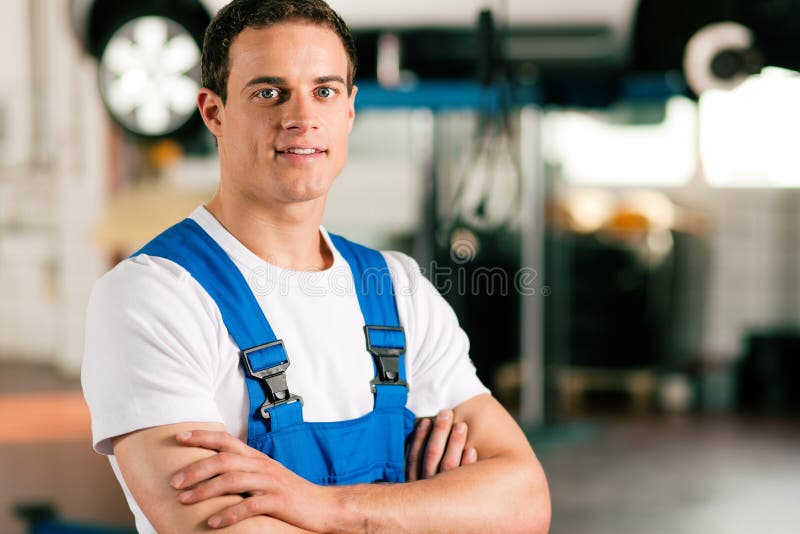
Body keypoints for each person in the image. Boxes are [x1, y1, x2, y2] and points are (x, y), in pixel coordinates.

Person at [81, 0, 551, 532]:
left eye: (324, 91)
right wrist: (428, 512)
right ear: (214, 112)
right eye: (268, 93)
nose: (301, 118)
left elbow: (524, 501)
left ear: (348, 111)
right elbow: (223, 527)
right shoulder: (153, 297)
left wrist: (327, 508)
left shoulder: (398, 290)